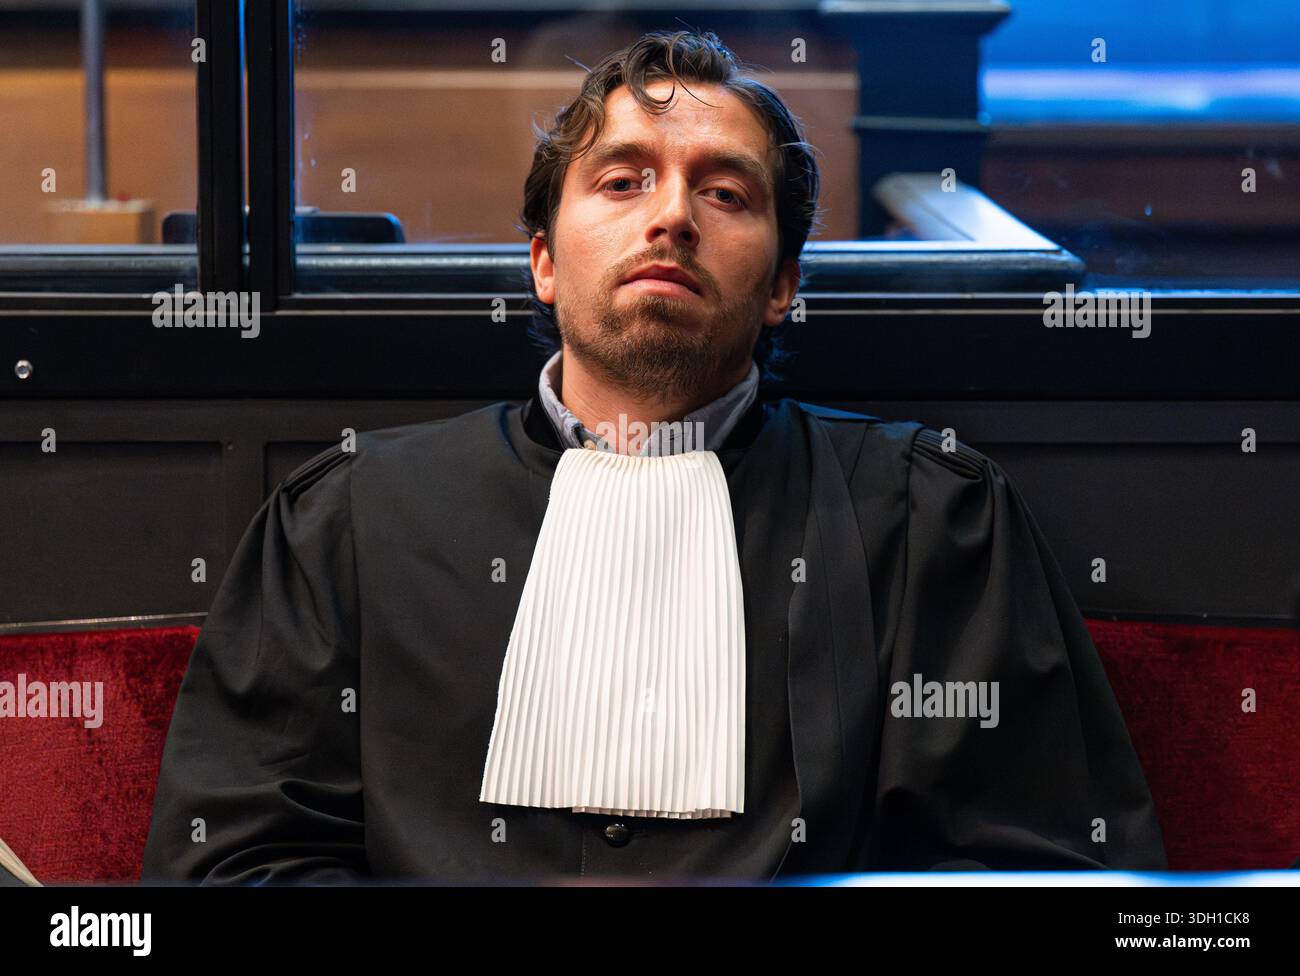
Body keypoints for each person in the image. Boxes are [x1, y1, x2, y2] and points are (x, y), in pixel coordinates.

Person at [140, 29, 1166, 884]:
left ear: (781, 284)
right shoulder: (349, 519)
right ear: (543, 260)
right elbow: (236, 865)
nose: (671, 213)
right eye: (623, 180)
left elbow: (1025, 877)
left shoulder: (932, 517)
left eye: (725, 193)